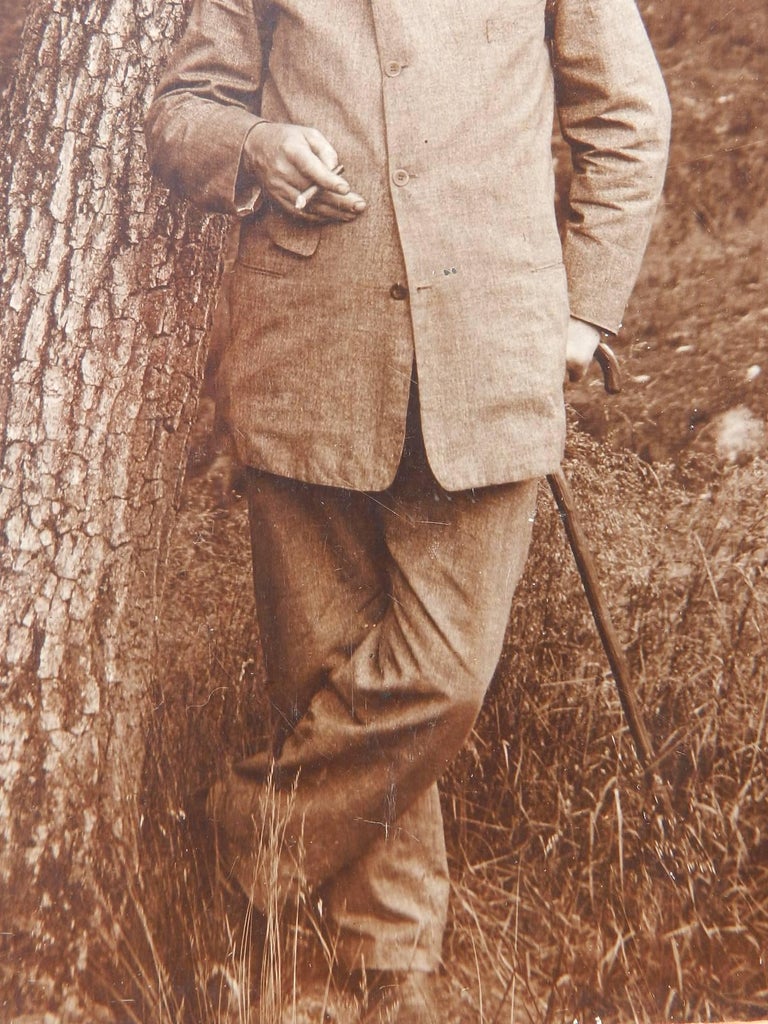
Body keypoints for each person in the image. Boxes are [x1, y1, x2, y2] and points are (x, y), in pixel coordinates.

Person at [146, 0, 670, 1019]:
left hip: (492, 347)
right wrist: (254, 146)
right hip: (307, 345)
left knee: (444, 675)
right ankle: (388, 960)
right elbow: (183, 109)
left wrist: (584, 310)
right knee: (326, 665)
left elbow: (626, 115)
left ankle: (239, 834)